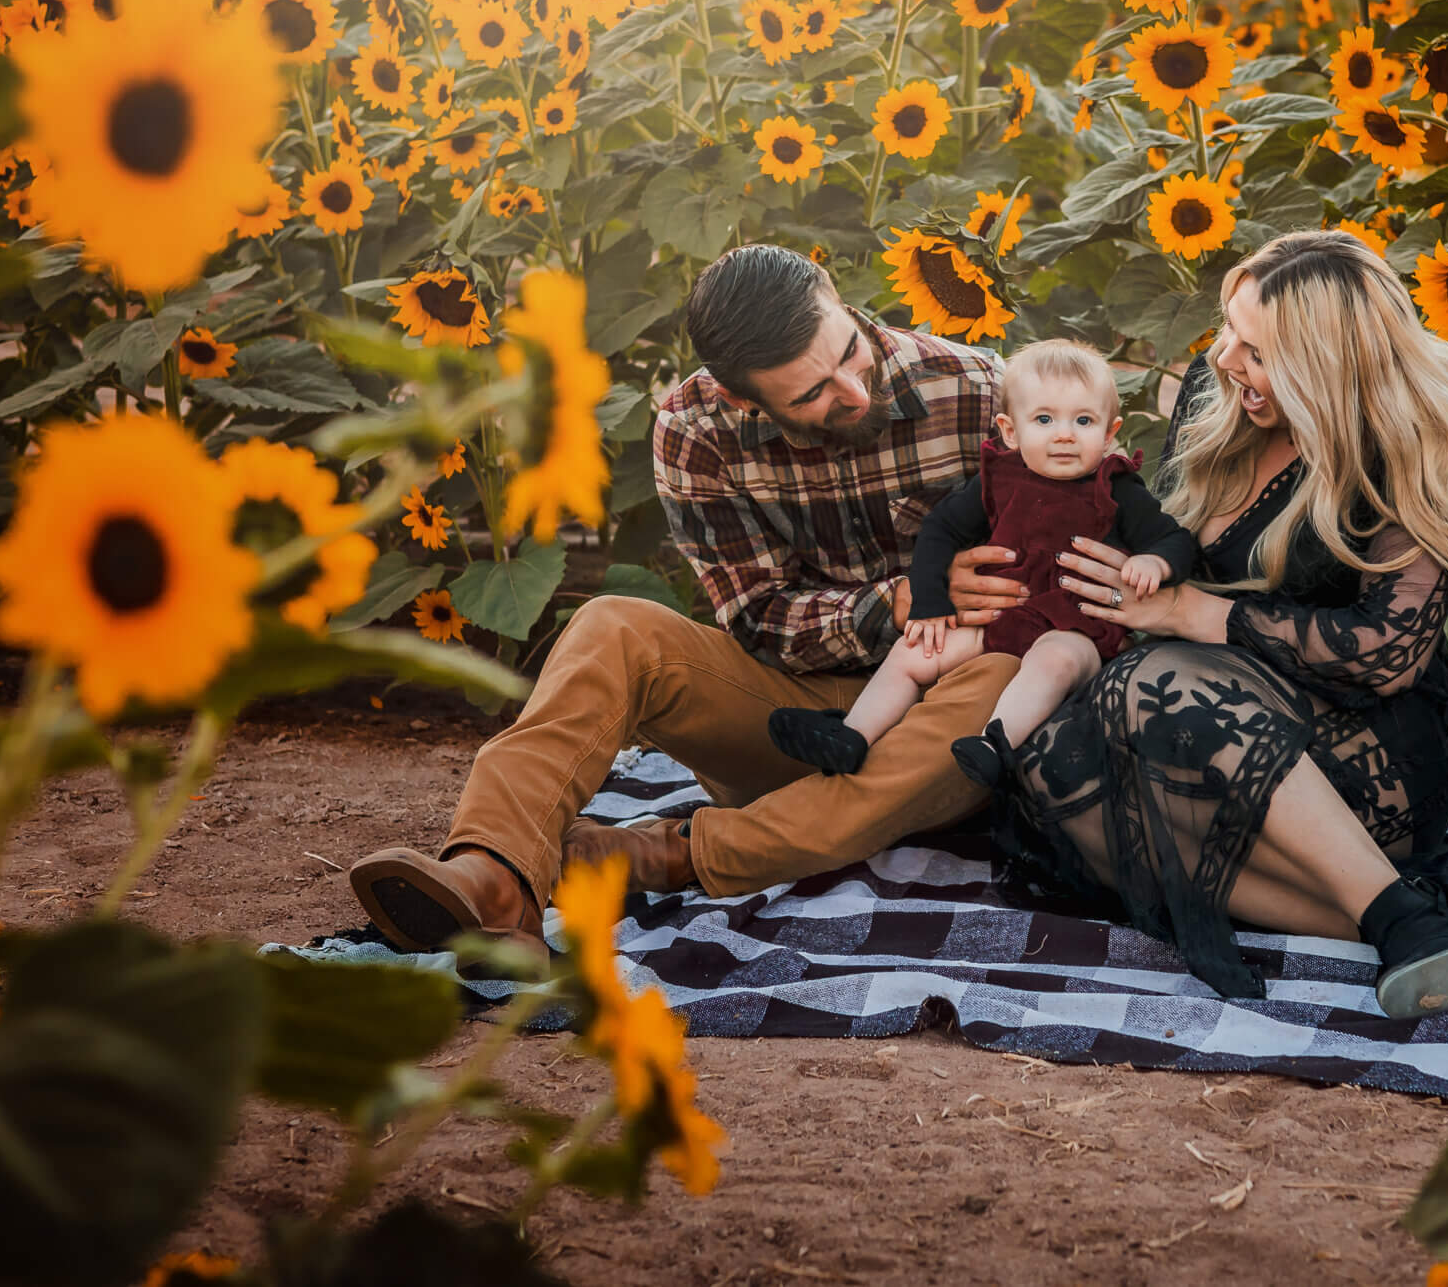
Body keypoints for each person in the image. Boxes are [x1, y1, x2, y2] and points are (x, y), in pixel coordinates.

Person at [984, 230, 1448, 1020]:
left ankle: (1394, 912)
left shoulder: (1399, 446)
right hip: (1213, 711)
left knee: (1159, 680)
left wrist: (1194, 611)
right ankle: (1424, 924)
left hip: (1367, 751)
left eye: (1253, 351)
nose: (1224, 358)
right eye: (1229, 330)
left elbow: (1386, 654)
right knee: (1050, 763)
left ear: (1320, 367)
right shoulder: (1219, 397)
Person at [347, 245, 1032, 954]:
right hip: (797, 717)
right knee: (614, 623)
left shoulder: (979, 391)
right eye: (811, 395)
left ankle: (661, 855)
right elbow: (760, 617)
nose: (853, 392)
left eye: (851, 353)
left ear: (837, 297)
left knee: (1005, 674)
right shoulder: (694, 427)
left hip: (945, 720)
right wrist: (894, 600)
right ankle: (494, 873)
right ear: (742, 396)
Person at [764, 338, 1200, 788]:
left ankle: (996, 745)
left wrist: (1155, 563)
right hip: (999, 619)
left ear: (1109, 434)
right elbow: (940, 530)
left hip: (1077, 629)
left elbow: (1175, 540)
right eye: (1045, 419)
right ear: (1011, 432)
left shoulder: (1118, 489)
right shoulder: (997, 480)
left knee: (1054, 662)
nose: (1065, 434)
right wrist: (930, 602)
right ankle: (851, 734)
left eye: (1084, 420)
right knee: (915, 649)